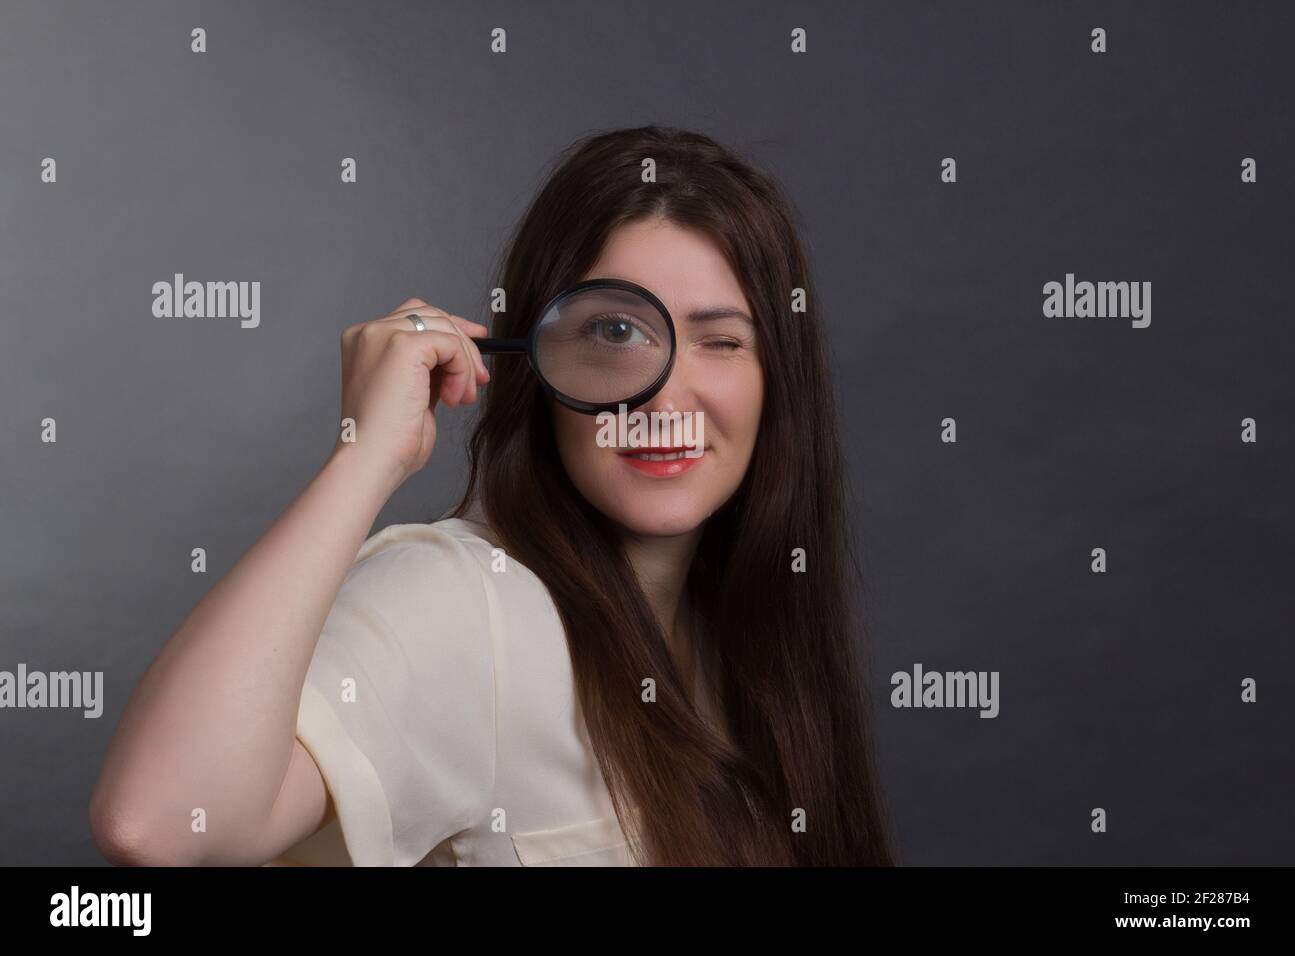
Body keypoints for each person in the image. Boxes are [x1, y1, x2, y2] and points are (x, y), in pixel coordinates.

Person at [88, 125, 896, 866]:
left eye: (721, 340)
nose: (663, 397)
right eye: (615, 333)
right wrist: (364, 455)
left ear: (777, 379)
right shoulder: (466, 604)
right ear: (537, 361)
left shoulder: (743, 641)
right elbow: (157, 823)